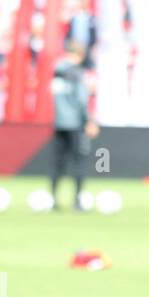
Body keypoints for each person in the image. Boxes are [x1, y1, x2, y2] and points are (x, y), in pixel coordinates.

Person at [50, 43, 98, 212]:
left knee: (58, 163)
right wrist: (89, 120)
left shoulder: (57, 70)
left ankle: (53, 200)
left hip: (59, 122)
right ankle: (77, 201)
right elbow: (80, 99)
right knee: (78, 162)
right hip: (75, 123)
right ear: (80, 54)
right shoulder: (76, 72)